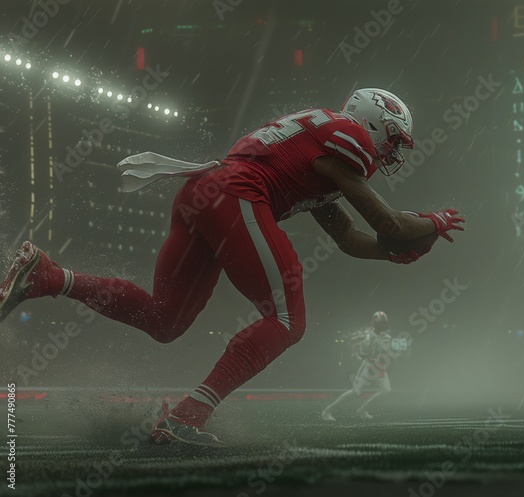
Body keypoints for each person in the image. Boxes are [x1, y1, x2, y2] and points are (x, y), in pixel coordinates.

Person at [0, 88, 465, 446]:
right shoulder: (350, 136)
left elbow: (348, 238)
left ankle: (48, 275)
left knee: (166, 319)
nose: (391, 153)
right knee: (287, 320)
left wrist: (390, 251)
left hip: (206, 189)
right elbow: (386, 221)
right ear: (374, 124)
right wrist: (431, 222)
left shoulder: (324, 150)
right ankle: (188, 417)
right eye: (393, 140)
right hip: (237, 190)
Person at [321, 311, 393, 421]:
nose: (381, 326)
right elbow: (360, 350)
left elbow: (385, 351)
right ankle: (328, 411)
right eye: (380, 324)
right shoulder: (367, 335)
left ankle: (362, 410)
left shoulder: (385, 336)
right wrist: (365, 340)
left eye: (382, 324)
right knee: (355, 392)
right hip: (369, 365)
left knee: (386, 391)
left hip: (380, 366)